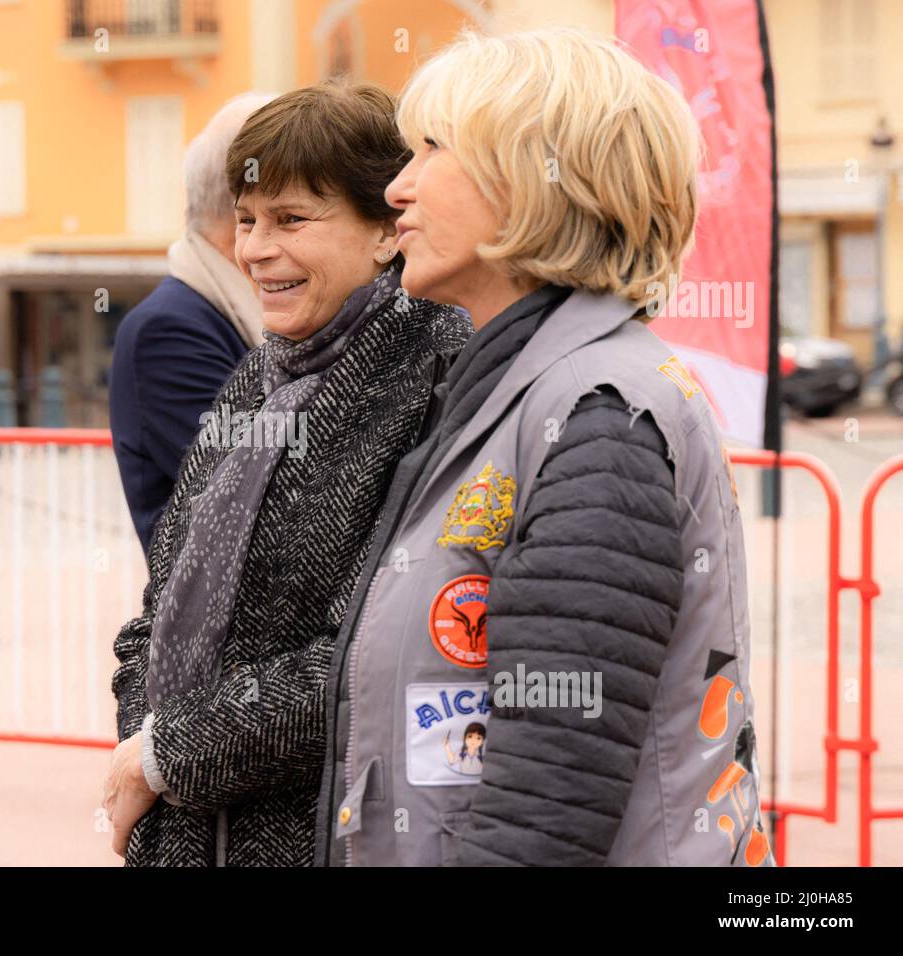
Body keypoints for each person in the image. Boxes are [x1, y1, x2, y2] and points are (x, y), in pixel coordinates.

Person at [316, 28, 775, 867]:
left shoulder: (598, 415)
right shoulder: (514, 389)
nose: (397, 188)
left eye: (430, 150)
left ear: (530, 177)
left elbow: (548, 807)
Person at [102, 81, 472, 866]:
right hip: (192, 832)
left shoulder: (440, 374)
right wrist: (144, 735)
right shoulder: (262, 374)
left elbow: (385, 651)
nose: (255, 249)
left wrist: (169, 754)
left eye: (291, 220)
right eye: (245, 221)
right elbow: (159, 604)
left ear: (384, 230)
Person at [109, 92, 275, 554]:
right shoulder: (166, 332)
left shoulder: (213, 313)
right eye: (295, 213)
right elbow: (258, 499)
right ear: (246, 219)